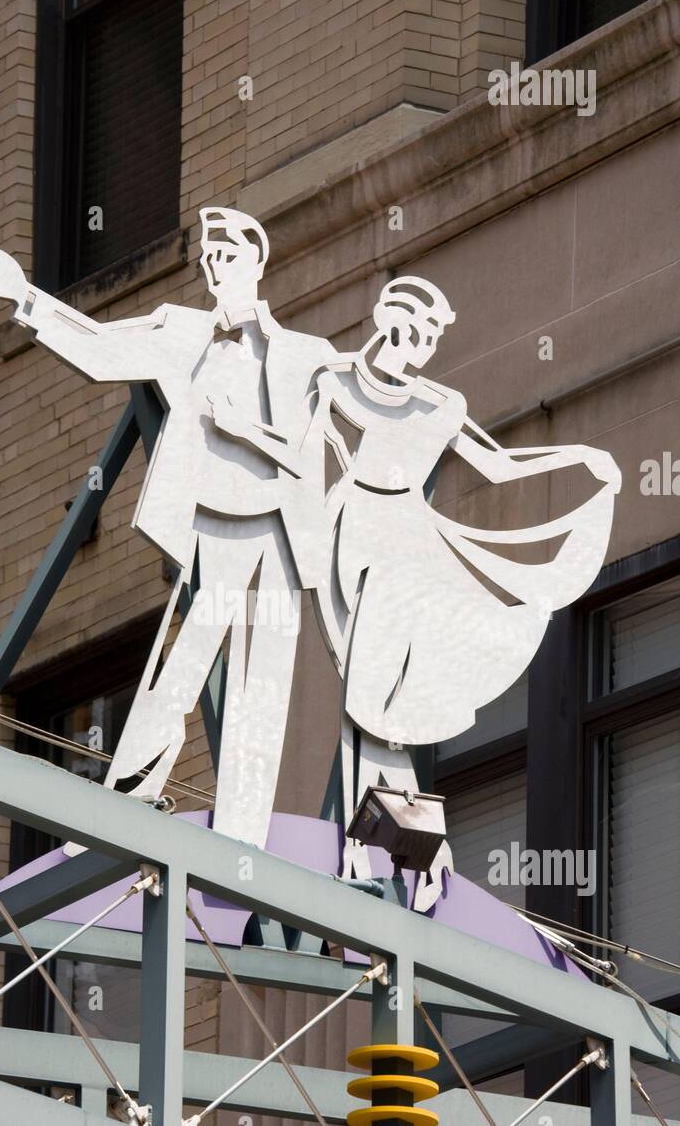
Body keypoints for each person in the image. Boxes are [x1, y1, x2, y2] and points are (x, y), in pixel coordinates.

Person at [0, 180, 340, 849]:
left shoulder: (306, 358)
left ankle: (246, 865)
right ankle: (126, 803)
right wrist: (20, 296)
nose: (214, 265)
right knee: (176, 666)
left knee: (260, 700)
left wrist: (247, 432)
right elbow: (98, 348)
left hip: (278, 538)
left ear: (256, 259)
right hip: (217, 528)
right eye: (208, 255)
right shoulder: (180, 332)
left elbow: (314, 455)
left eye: (227, 254)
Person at [220, 275, 621, 894]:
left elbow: (497, 463)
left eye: (432, 337)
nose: (423, 346)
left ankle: (384, 854)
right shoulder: (335, 381)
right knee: (370, 696)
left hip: (408, 540)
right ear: (390, 320)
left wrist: (579, 460)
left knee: (379, 697)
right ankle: (406, 856)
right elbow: (299, 454)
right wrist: (238, 429)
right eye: (418, 332)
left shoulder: (438, 405)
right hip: (349, 534)